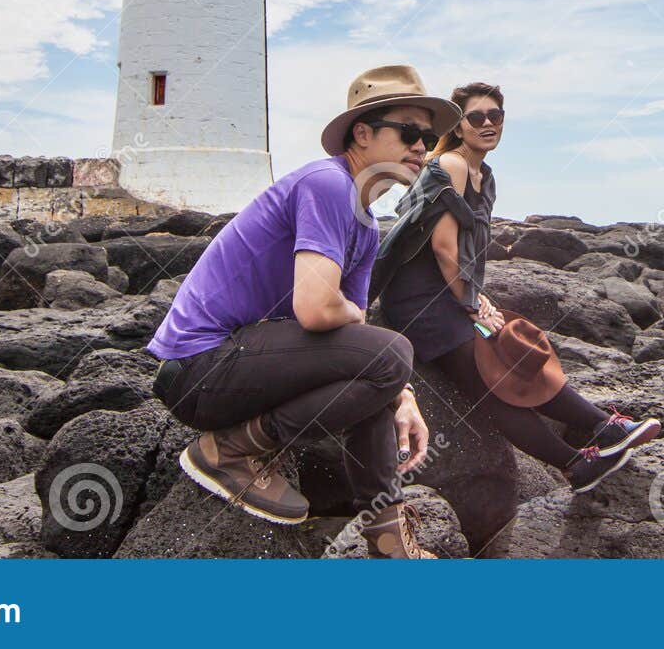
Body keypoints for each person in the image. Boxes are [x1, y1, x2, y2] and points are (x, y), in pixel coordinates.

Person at [147, 65, 460, 558]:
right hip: (199, 368)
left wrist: (402, 393)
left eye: (429, 137)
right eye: (408, 131)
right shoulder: (327, 183)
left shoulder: (364, 223)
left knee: (384, 367)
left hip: (241, 364)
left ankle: (387, 536)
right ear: (362, 134)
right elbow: (316, 311)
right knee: (391, 352)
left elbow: (353, 329)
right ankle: (230, 450)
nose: (422, 146)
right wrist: (371, 342)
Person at [373, 81, 660, 492]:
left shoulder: (483, 176)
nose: (487, 123)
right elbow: (443, 247)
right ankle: (581, 458)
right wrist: (471, 303)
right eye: (476, 117)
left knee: (512, 353)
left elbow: (466, 253)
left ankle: (603, 430)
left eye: (495, 115)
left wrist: (478, 296)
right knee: (491, 381)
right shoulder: (451, 165)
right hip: (420, 303)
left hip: (446, 293)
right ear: (458, 126)